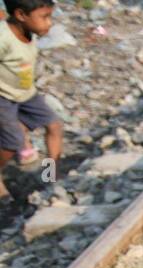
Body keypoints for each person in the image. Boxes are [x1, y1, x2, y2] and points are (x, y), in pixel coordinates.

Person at [0, 0, 63, 202]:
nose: (49, 23)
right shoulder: (3, 38)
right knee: (11, 145)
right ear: (21, 15)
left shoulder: (29, 32)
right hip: (4, 97)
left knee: (54, 125)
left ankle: (50, 174)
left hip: (27, 94)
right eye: (44, 17)